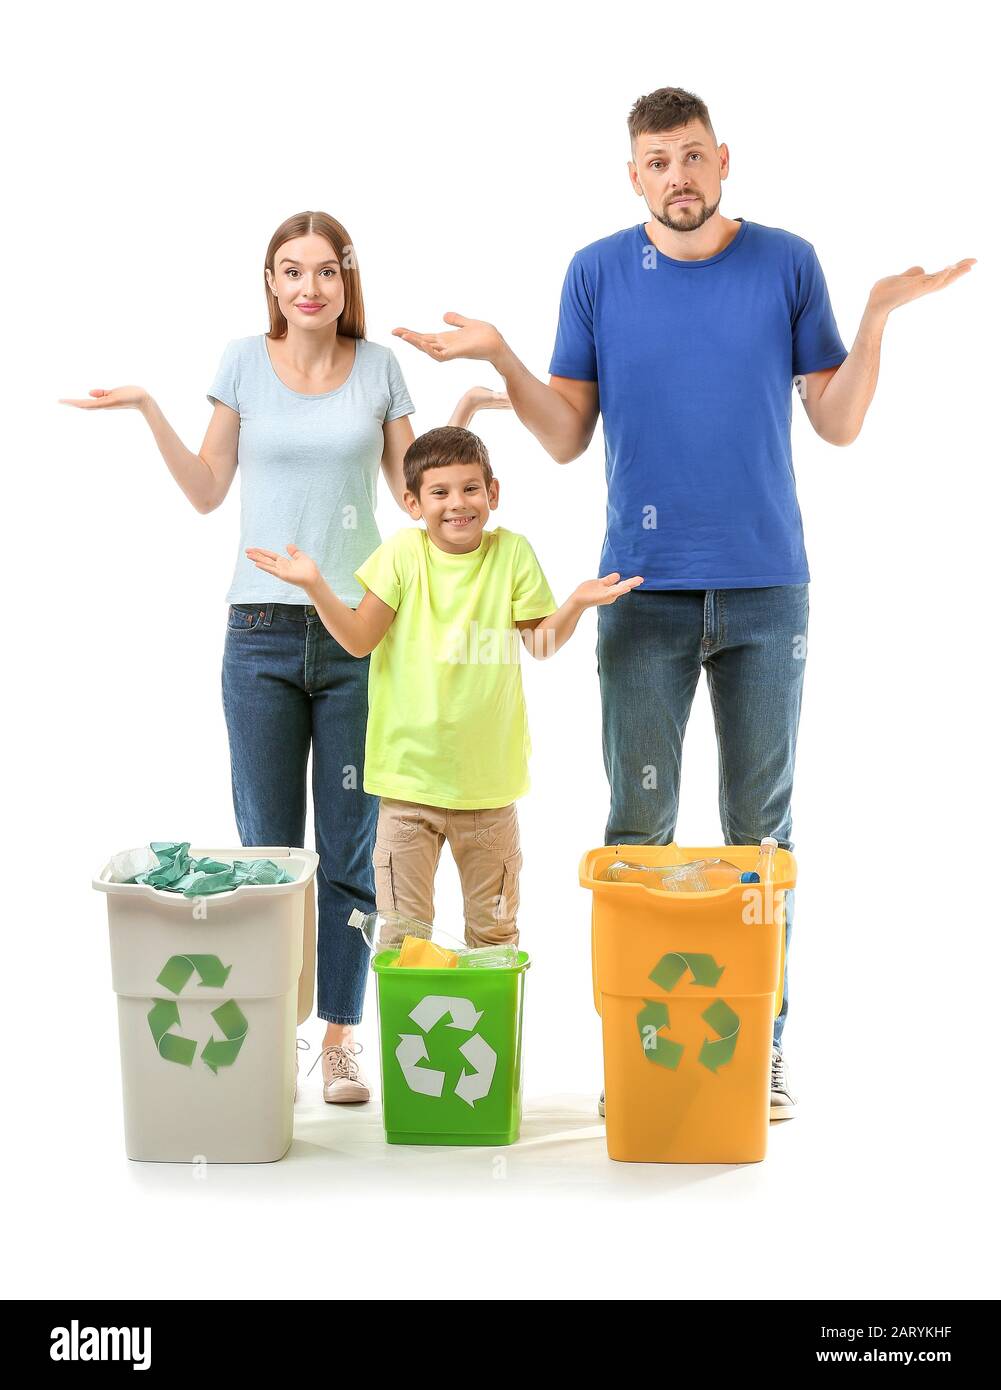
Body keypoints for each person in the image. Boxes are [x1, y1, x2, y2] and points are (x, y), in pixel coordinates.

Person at [391, 87, 975, 1120]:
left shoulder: (786, 261)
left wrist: (876, 318)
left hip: (763, 593)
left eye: (692, 156)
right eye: (656, 161)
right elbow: (566, 436)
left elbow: (834, 424)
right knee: (638, 832)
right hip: (640, 596)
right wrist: (499, 357)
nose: (677, 176)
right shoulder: (597, 271)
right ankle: (641, 1049)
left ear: (722, 161)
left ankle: (761, 1043)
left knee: (759, 833)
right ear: (633, 176)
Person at [61, 210, 508, 1106]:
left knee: (350, 850)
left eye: (326, 273)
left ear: (347, 283)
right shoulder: (238, 362)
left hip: (353, 631)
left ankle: (340, 1037)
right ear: (270, 283)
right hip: (259, 636)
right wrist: (150, 409)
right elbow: (206, 491)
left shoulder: (380, 367)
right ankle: (269, 1036)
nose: (310, 287)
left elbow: (408, 491)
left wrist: (456, 422)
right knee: (269, 856)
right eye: (290, 271)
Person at [245, 425, 642, 949]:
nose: (458, 503)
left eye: (470, 488)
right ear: (413, 502)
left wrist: (575, 604)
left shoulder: (513, 554)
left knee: (495, 935)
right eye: (440, 492)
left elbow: (541, 646)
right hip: (409, 789)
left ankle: (490, 1033)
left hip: (490, 793)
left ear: (492, 493)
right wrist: (316, 586)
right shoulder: (401, 556)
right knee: (405, 940)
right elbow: (361, 641)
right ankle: (414, 1034)